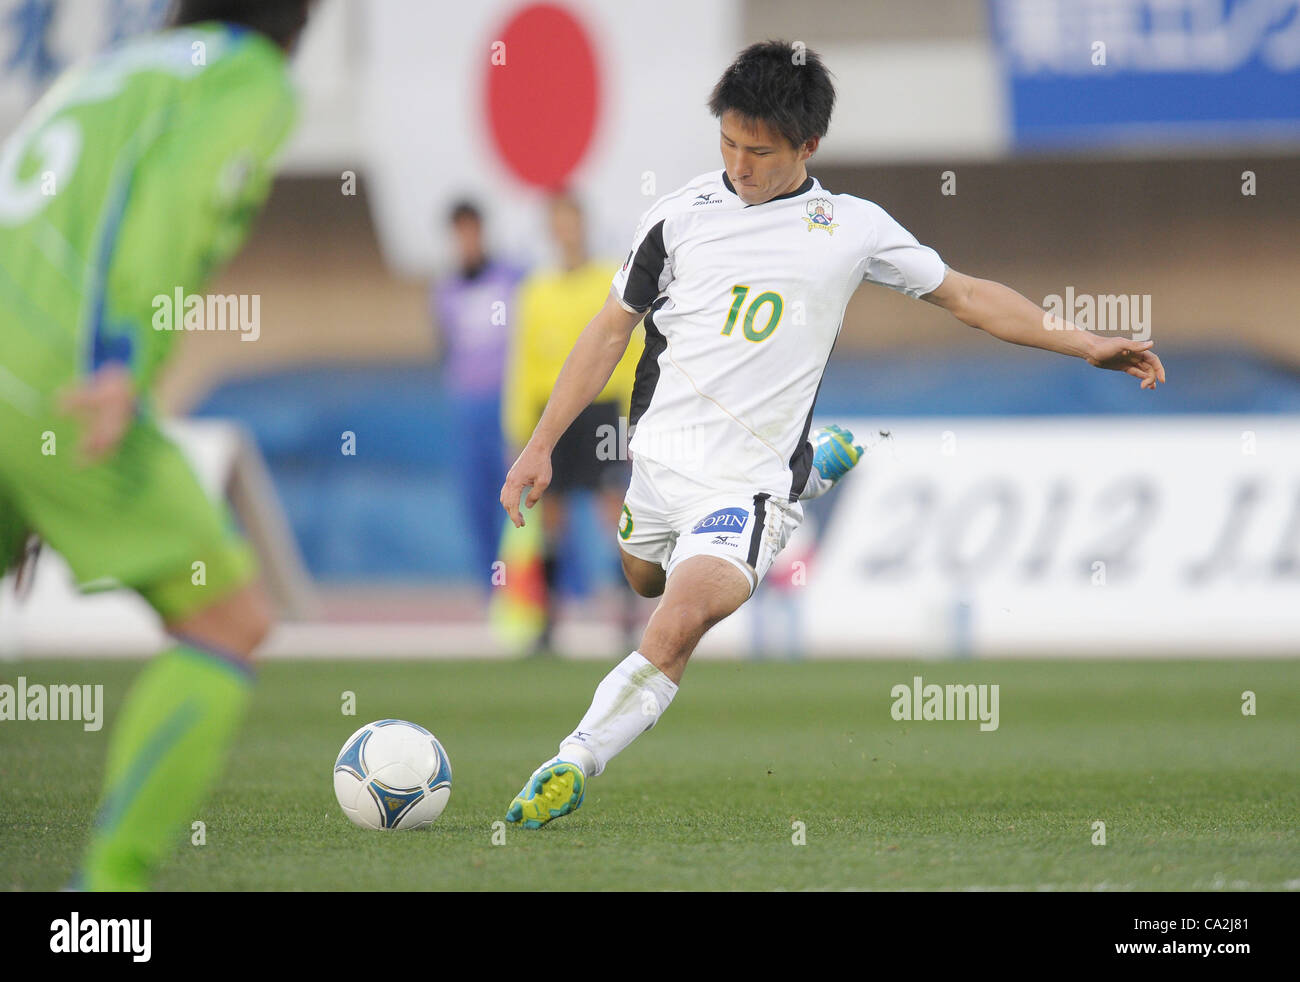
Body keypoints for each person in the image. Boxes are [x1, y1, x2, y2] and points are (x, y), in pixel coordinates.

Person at [499, 40, 1165, 828]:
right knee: (642, 575)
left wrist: (1085, 340)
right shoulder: (676, 217)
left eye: (760, 151)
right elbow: (609, 332)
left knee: (674, 620)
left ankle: (572, 759)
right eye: (728, 144)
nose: (740, 166)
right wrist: (540, 442)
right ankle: (813, 464)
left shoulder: (850, 227)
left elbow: (970, 296)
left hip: (743, 488)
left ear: (808, 145)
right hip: (658, 461)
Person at [0, 0, 315, 889]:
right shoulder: (244, 77)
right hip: (56, 385)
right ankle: (104, 901)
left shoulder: (104, 74)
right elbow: (174, 207)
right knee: (230, 620)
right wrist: (120, 363)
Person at [501, 191, 642, 654]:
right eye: (557, 223)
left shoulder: (609, 281)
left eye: (571, 222)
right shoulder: (535, 290)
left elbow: (629, 347)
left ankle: (625, 613)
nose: (565, 232)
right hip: (552, 413)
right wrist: (521, 426)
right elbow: (522, 360)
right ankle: (547, 618)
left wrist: (633, 419)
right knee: (551, 516)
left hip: (604, 410)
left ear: (584, 225)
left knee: (613, 509)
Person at [431, 200, 525, 588]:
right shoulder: (445, 290)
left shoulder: (512, 278)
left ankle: (542, 590)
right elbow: (445, 347)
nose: (467, 240)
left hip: (508, 405)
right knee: (477, 503)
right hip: (468, 409)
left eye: (472, 231)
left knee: (521, 500)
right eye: (460, 233)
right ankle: (494, 592)